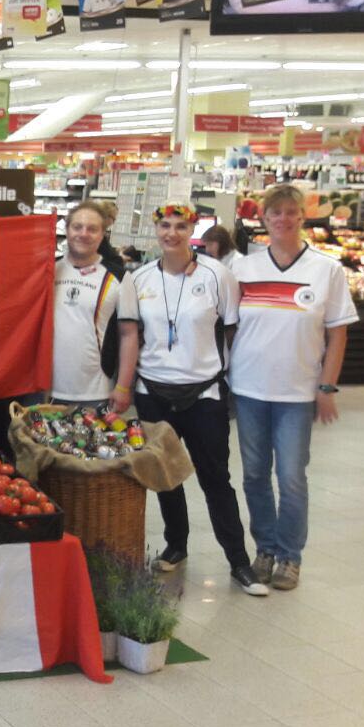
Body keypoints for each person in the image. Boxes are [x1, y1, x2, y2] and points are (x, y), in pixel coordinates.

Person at [113, 204, 268, 597]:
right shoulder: (138, 278)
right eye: (164, 225)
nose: (172, 233)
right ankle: (176, 544)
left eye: (181, 226)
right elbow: (131, 336)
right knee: (165, 477)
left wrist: (237, 382)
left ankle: (238, 561)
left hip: (205, 393)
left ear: (193, 229)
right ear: (156, 229)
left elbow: (233, 332)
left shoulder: (219, 275)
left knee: (216, 479)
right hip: (153, 391)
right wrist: (124, 386)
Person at [230, 185, 356, 591]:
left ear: (303, 216)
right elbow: (229, 328)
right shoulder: (243, 268)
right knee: (253, 474)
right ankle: (264, 548)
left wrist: (327, 386)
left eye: (291, 212)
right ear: (263, 219)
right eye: (275, 213)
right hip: (248, 388)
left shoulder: (327, 269)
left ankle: (290, 556)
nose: (283, 219)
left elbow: (337, 334)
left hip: (297, 395)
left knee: (291, 477)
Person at [51, 201, 120, 407]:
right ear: (67, 229)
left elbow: (129, 334)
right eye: (77, 227)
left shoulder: (117, 277)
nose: (83, 234)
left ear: (102, 235)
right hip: (44, 388)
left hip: (95, 391)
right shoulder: (48, 270)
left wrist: (123, 386)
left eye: (92, 229)